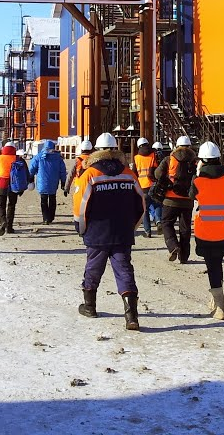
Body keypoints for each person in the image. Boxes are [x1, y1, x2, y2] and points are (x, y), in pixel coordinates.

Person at [76, 132, 145, 330]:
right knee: (124, 272)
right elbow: (140, 203)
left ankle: (90, 306)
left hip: (97, 233)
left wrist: (81, 229)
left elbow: (81, 206)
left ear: (96, 151)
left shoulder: (90, 174)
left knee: (93, 269)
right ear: (115, 150)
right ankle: (131, 316)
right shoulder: (128, 173)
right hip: (122, 232)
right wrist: (131, 227)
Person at [191, 141, 224, 319]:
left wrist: (198, 174)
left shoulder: (198, 182)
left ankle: (219, 305)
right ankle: (216, 298)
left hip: (205, 233)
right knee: (217, 264)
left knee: (212, 265)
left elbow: (192, 196)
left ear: (201, 161)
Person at [152, 134, 197, 263]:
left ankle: (173, 246)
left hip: (170, 200)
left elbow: (157, 174)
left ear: (176, 146)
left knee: (166, 223)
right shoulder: (194, 160)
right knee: (185, 228)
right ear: (189, 146)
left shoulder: (169, 159)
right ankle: (184, 257)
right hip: (188, 200)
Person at [30, 139, 68, 224]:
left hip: (42, 182)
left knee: (43, 200)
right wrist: (63, 182)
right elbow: (63, 171)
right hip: (54, 183)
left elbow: (32, 169)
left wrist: (30, 177)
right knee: (52, 198)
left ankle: (45, 218)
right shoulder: (58, 158)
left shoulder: (39, 157)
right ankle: (51, 217)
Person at [131, 137, 159, 237]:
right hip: (153, 184)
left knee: (145, 209)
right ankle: (158, 220)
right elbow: (155, 169)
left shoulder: (136, 158)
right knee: (157, 205)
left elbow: (134, 173)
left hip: (142, 186)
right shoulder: (153, 155)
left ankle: (148, 231)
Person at [66, 139, 94, 227]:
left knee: (79, 207)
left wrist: (67, 188)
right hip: (91, 186)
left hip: (79, 187)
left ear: (81, 149)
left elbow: (71, 174)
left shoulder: (77, 160)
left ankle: (80, 225)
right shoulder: (94, 159)